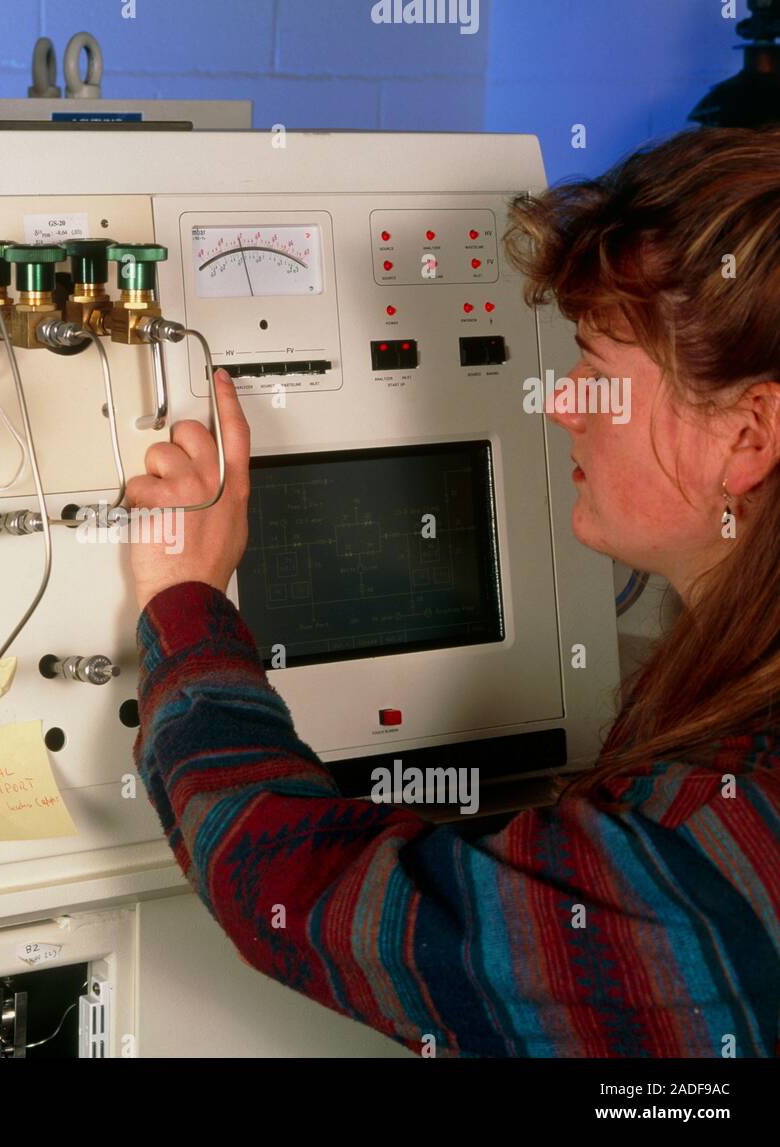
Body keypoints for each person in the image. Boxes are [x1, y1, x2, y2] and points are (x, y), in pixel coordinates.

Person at [125, 127, 780, 1058]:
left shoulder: (719, 832)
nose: (559, 402)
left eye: (599, 371)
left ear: (748, 437)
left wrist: (186, 600)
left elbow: (315, 895)